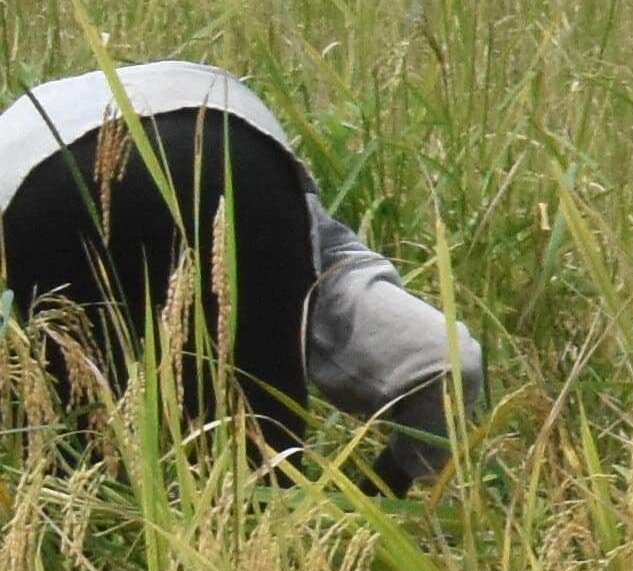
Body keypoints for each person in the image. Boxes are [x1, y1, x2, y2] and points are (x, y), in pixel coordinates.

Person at [3, 57, 482, 479]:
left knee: (66, 469)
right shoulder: (313, 235)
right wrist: (382, 492)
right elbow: (445, 362)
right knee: (259, 475)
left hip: (33, 178)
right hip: (231, 146)